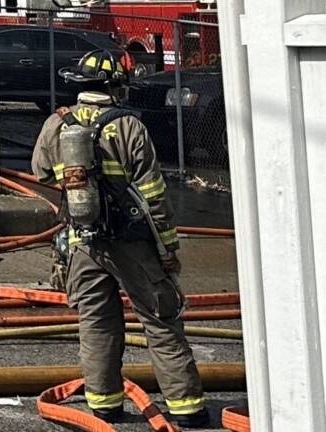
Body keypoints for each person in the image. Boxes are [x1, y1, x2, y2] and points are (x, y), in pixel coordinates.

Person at [31, 50, 208, 427]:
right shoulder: (128, 126)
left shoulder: (57, 123)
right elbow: (154, 194)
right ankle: (187, 409)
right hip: (133, 243)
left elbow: (41, 172)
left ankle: (104, 405)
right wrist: (168, 248)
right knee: (160, 319)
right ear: (113, 87)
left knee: (96, 323)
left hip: (83, 242)